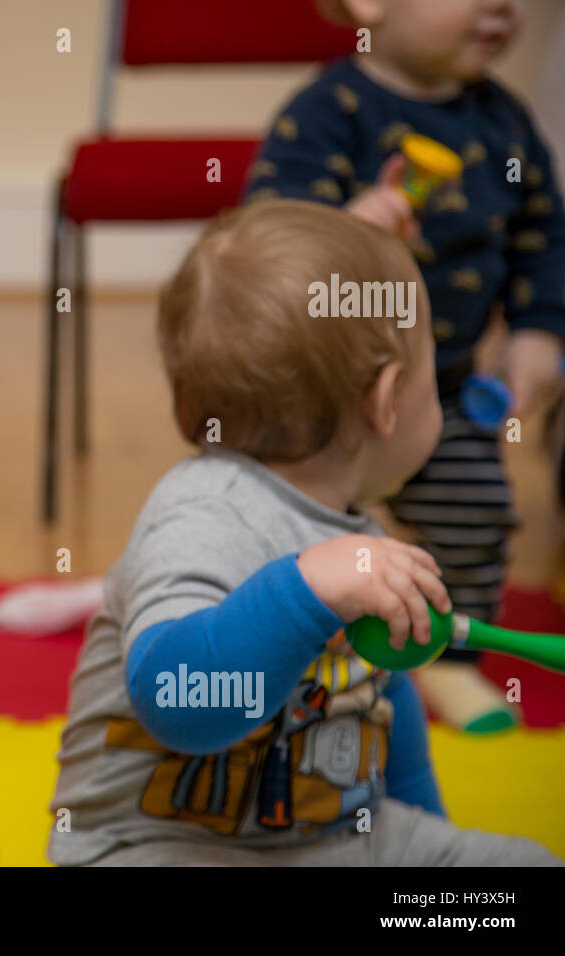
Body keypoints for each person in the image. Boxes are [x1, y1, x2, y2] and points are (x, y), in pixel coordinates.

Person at [47, 199, 560, 865]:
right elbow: (175, 701)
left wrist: (435, 843)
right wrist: (305, 590)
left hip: (329, 841)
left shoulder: (363, 542)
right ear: (386, 398)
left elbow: (388, 717)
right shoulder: (202, 513)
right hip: (158, 845)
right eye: (439, 382)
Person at [244, 0, 565, 732]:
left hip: (438, 387)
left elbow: (545, 240)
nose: (503, 6)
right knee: (279, 525)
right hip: (315, 393)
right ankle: (273, 646)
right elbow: (262, 241)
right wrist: (346, 226)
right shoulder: (325, 112)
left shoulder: (506, 125)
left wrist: (540, 331)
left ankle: (449, 660)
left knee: (476, 512)